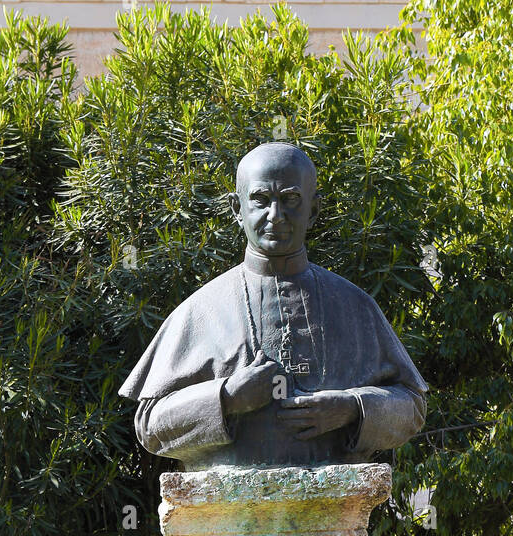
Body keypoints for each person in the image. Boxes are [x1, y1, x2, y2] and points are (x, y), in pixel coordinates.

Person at [119, 141, 427, 470]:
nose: (275, 215)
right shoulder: (201, 311)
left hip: (334, 510)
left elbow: (413, 406)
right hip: (227, 511)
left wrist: (352, 408)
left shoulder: (355, 307)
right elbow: (149, 425)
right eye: (261, 200)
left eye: (290, 199)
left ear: (314, 209)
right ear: (237, 208)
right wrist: (226, 398)